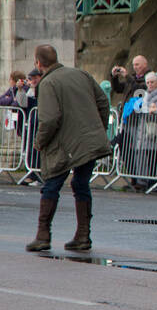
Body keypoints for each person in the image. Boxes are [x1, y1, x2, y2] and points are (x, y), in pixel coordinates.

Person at [27, 44, 111, 253]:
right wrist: (97, 128)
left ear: (38, 63)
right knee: (81, 184)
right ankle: (83, 236)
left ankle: (43, 236)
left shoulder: (47, 83)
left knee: (51, 184)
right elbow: (103, 102)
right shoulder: (81, 74)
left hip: (66, 145)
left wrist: (39, 142)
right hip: (89, 142)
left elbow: (49, 120)